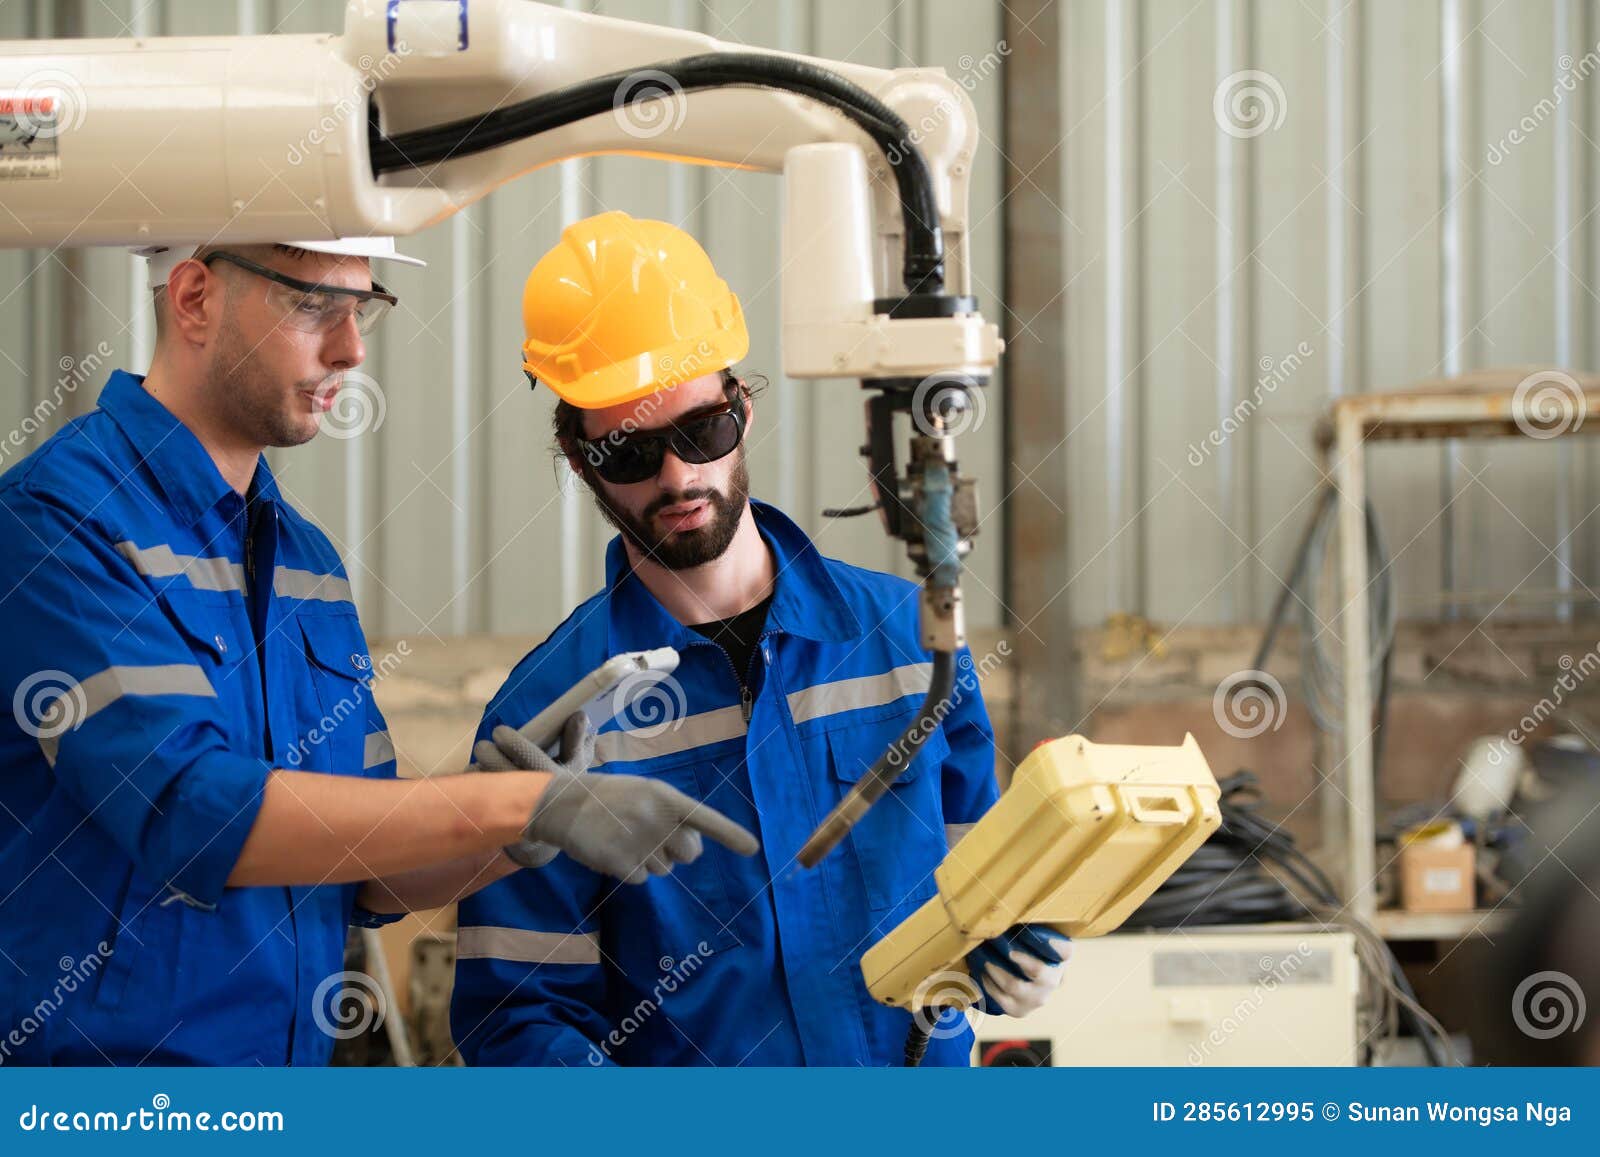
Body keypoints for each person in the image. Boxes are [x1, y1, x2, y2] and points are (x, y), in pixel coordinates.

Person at [0, 237, 753, 1066]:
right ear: (193, 299)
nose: (352, 349)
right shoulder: (61, 520)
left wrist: (509, 832)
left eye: (362, 310)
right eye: (314, 305)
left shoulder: (306, 564)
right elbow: (189, 808)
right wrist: (513, 806)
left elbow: (368, 878)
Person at [451, 211, 1069, 1067]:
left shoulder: (906, 644)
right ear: (577, 457)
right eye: (631, 453)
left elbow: (984, 878)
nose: (678, 477)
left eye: (702, 432)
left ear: (740, 406)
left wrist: (1010, 939)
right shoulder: (548, 715)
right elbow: (517, 1019)